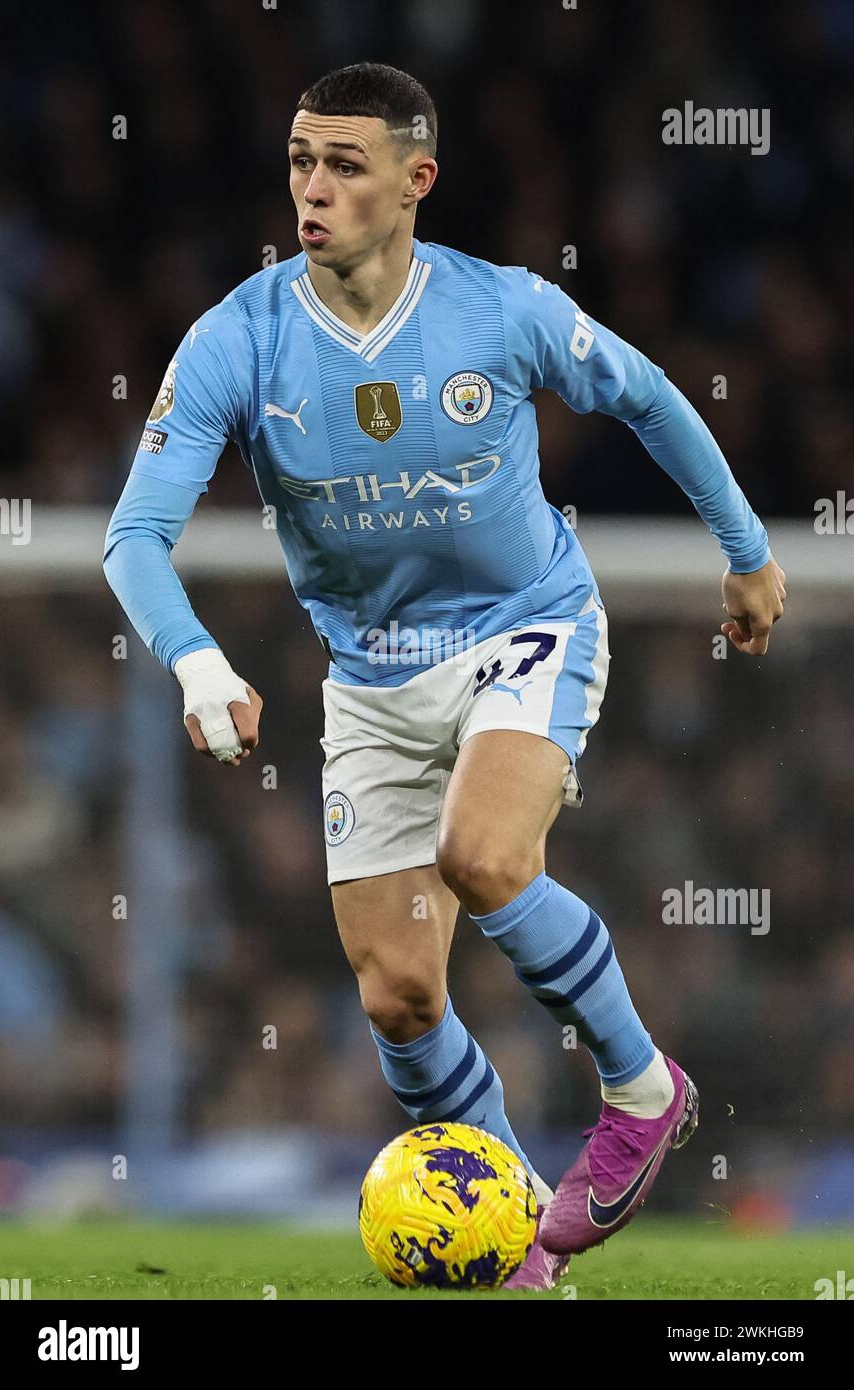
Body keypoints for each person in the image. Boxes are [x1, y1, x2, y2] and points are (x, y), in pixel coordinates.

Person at [103, 61, 786, 1289]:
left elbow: (648, 395)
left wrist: (743, 553)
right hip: (370, 678)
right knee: (401, 998)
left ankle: (639, 1088)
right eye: (302, 161)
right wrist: (196, 662)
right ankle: (519, 1229)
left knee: (482, 858)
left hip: (524, 624)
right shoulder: (236, 338)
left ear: (414, 182)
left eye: (345, 166)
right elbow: (132, 536)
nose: (312, 188)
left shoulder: (499, 309)